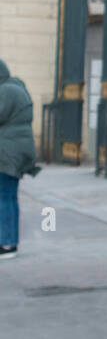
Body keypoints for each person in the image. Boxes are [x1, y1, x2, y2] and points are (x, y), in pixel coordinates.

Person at [0, 57, 41, 259]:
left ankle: (7, 244)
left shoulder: (5, 91)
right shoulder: (15, 87)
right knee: (9, 196)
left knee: (4, 197)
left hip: (7, 153)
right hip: (15, 151)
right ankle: (9, 241)